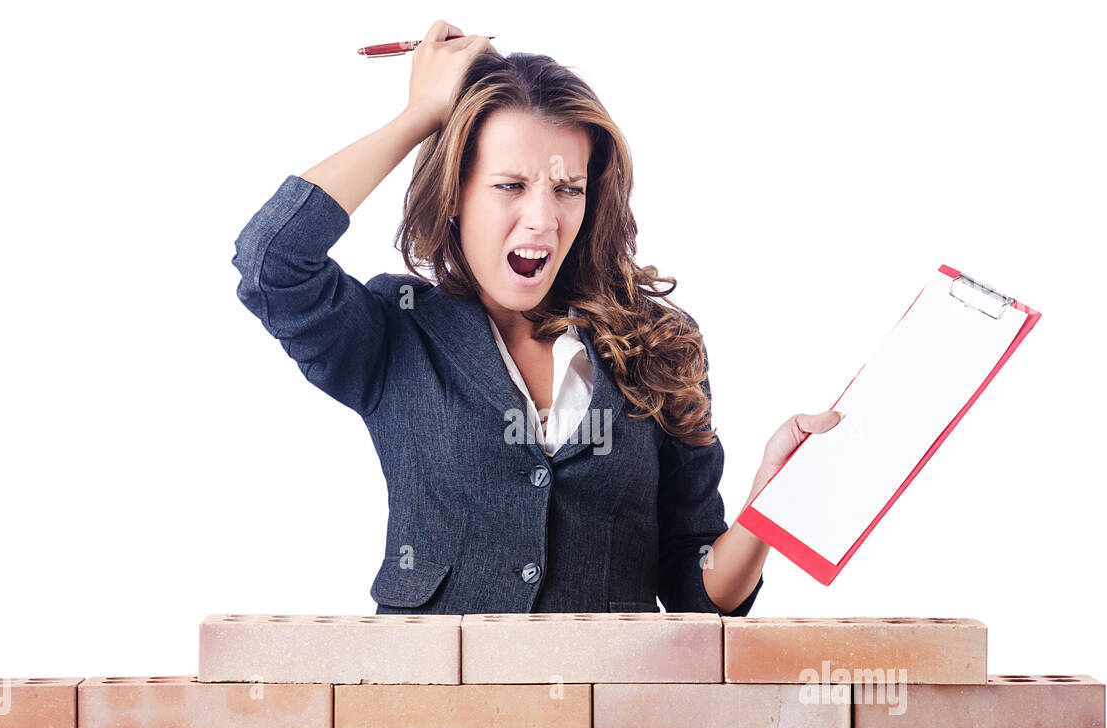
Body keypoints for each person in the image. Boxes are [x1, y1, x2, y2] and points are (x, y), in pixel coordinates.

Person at [230, 20, 840, 616]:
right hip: (427, 709)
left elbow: (696, 588)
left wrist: (768, 501)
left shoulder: (659, 343)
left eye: (568, 189)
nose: (542, 219)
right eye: (510, 185)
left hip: (610, 713)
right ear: (455, 196)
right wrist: (422, 115)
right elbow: (271, 260)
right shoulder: (396, 331)